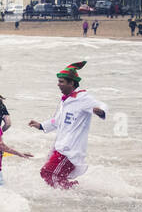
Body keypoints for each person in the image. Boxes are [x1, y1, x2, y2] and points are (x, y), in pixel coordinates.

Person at [28, 61, 107, 189]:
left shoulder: (83, 98)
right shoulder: (66, 100)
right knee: (50, 174)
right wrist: (41, 125)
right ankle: (72, 192)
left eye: (61, 82)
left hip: (70, 149)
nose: (58, 84)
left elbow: (102, 105)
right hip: (60, 147)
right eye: (58, 81)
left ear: (71, 83)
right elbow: (58, 121)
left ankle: (68, 193)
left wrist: (101, 112)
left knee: (48, 173)